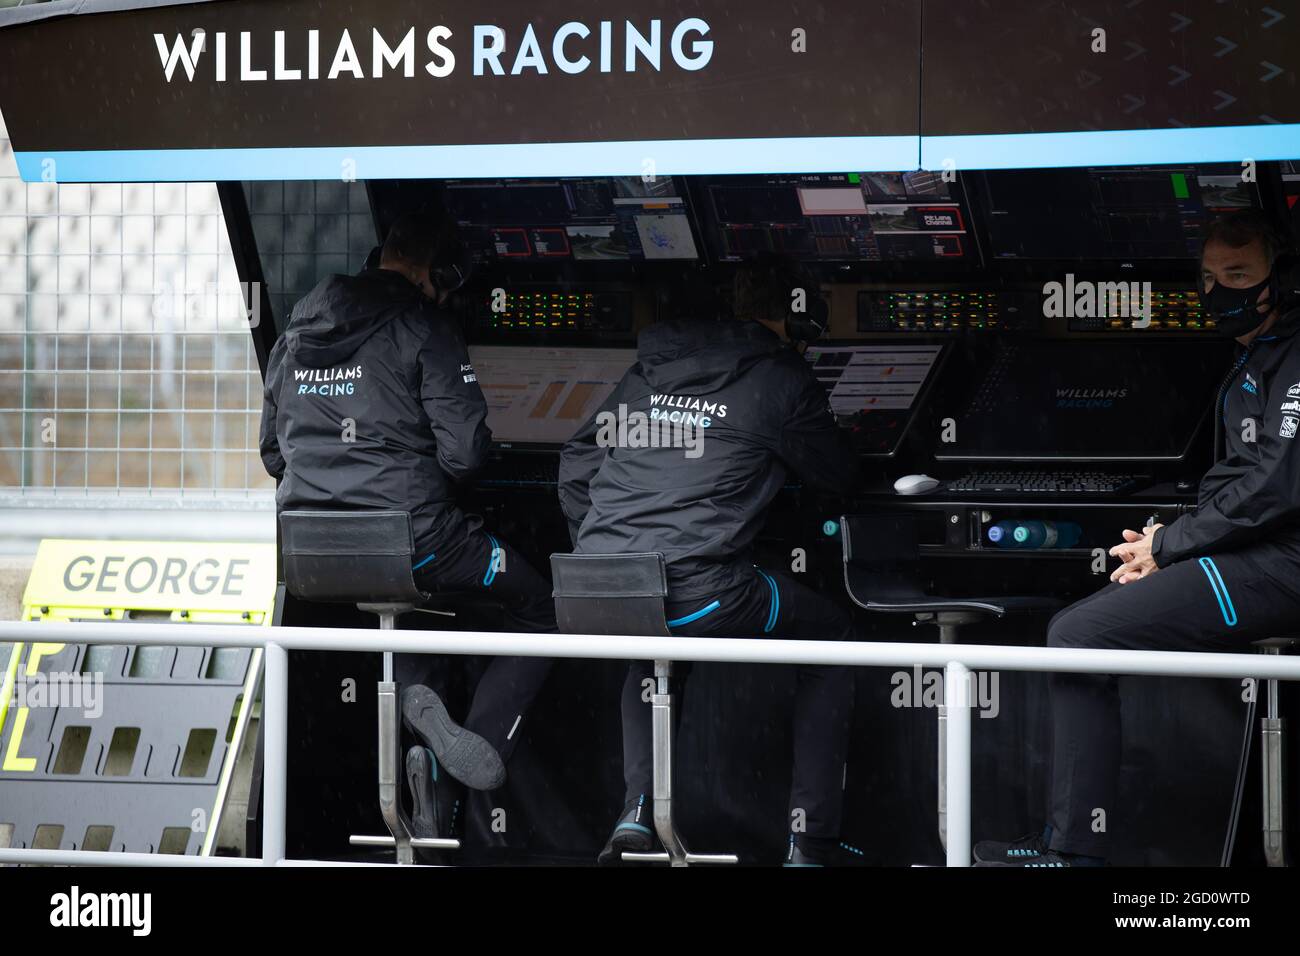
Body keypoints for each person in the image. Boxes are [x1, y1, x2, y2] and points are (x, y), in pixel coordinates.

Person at [975, 209, 1300, 866]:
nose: (1221, 291)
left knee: (1078, 636)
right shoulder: (1253, 359)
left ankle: (1073, 851)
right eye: (1209, 277)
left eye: (1238, 274)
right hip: (1256, 557)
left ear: (1280, 278)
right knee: (1078, 630)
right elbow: (1239, 484)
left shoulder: (1295, 354)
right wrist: (1166, 540)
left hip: (1282, 567)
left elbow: (1279, 484)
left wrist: (1172, 544)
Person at [259, 208, 556, 838]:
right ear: (439, 271)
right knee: (537, 602)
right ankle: (471, 745)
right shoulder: (427, 327)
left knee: (412, 601)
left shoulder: (297, 328)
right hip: (410, 539)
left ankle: (430, 759)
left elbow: (272, 454)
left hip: (308, 555)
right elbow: (466, 455)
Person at [559, 255, 863, 865]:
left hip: (595, 584)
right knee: (834, 640)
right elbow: (841, 477)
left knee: (651, 638)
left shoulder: (651, 368)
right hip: (701, 593)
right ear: (796, 312)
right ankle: (811, 838)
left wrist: (604, 544)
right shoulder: (781, 378)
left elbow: (576, 463)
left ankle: (636, 813)